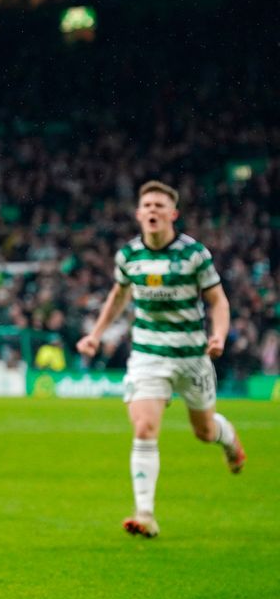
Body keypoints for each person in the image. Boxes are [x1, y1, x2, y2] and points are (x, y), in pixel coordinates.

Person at [75, 180, 246, 538]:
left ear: (173, 214)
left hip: (191, 356)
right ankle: (145, 513)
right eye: (147, 205)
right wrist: (96, 334)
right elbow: (118, 296)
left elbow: (218, 300)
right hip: (148, 355)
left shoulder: (194, 254)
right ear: (139, 214)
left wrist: (218, 334)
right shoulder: (129, 256)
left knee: (204, 431)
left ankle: (228, 438)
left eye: (159, 205)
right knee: (144, 428)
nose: (153, 210)